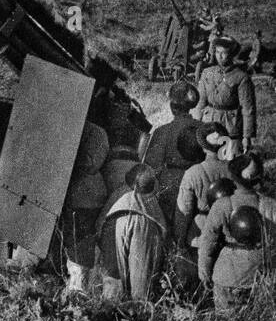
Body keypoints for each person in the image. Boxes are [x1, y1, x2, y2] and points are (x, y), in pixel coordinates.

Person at [196, 152, 276, 312]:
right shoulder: (270, 205)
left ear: (234, 178)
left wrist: (204, 272)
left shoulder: (222, 205)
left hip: (227, 276)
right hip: (260, 276)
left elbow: (207, 242)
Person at [96, 163, 166, 301]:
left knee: (113, 281)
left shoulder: (118, 193)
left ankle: (111, 312)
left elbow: (100, 223)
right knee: (140, 284)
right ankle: (138, 314)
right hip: (143, 225)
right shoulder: (151, 200)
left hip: (114, 222)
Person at [174, 122, 235, 283]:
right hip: (228, 230)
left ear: (202, 146)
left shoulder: (193, 173)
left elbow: (184, 211)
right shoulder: (234, 170)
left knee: (199, 281)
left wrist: (179, 241)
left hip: (199, 233)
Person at [139, 80, 206, 225]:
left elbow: (151, 167)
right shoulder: (204, 129)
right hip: (200, 183)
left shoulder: (162, 131)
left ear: (172, 106)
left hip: (171, 186)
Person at [58, 121, 109, 294]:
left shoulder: (82, 129)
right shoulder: (98, 131)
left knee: (79, 248)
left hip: (81, 197)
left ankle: (78, 292)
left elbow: (89, 164)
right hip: (89, 194)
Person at [197, 36, 257, 152]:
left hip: (230, 127)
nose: (219, 56)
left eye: (223, 53)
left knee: (230, 161)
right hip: (208, 124)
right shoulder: (207, 73)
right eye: (217, 52)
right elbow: (201, 102)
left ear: (232, 55)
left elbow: (248, 108)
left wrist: (246, 137)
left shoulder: (241, 77)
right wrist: (195, 125)